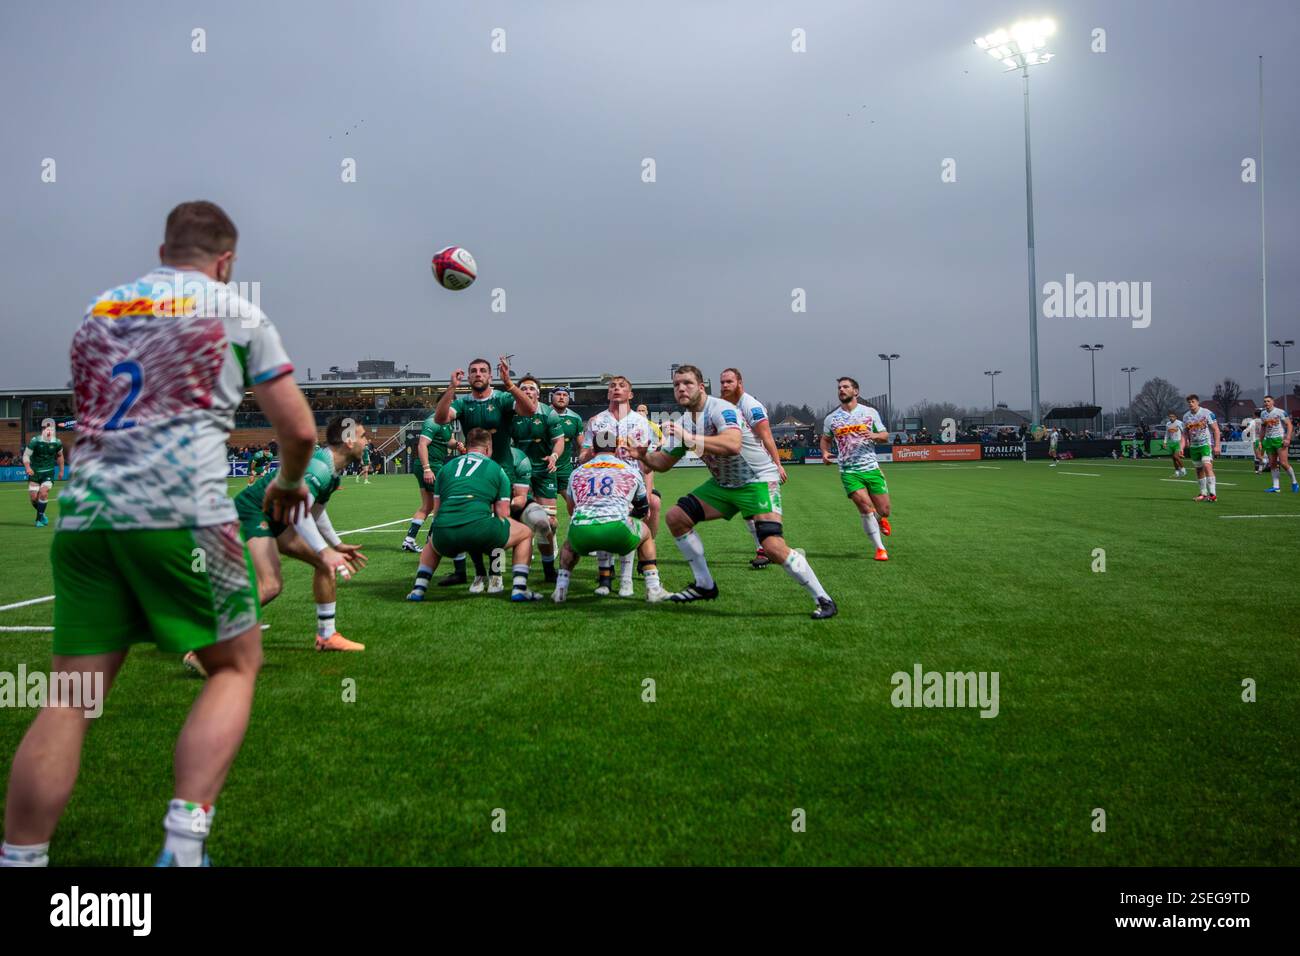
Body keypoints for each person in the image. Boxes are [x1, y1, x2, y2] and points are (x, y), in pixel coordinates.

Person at [2, 200, 317, 868]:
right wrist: (288, 483)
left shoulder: (100, 310)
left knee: (70, 698)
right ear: (225, 261)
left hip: (86, 517)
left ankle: (20, 858)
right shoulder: (237, 311)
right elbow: (298, 430)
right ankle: (183, 846)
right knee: (235, 665)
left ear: (162, 251)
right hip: (181, 513)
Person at [629, 364, 836, 619]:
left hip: (757, 480)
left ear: (701, 387)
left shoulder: (720, 408)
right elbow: (663, 463)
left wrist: (689, 439)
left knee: (772, 546)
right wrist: (643, 456)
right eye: (676, 384)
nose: (681, 388)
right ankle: (705, 584)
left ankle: (823, 598)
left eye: (687, 383)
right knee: (676, 518)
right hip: (723, 484)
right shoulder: (684, 423)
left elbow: (732, 444)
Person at [215, 415, 369, 661]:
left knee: (323, 565)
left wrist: (336, 545)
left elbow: (316, 513)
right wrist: (324, 550)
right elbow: (299, 514)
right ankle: (206, 645)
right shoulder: (320, 468)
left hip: (279, 515)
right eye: (363, 436)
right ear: (349, 441)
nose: (367, 441)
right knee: (271, 585)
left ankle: (326, 636)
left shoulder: (332, 472)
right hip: (255, 511)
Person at [430, 357, 537, 585]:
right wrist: (451, 388)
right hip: (475, 473)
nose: (478, 374)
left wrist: (510, 384)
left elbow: (530, 409)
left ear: (490, 376)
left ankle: (496, 574)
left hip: (502, 471)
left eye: (483, 371)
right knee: (474, 520)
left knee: (500, 523)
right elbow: (440, 418)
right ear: (468, 377)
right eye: (474, 371)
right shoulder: (463, 403)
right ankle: (479, 574)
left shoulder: (502, 398)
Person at [405, 428, 543, 602]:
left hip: (445, 532)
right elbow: (503, 515)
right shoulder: (497, 469)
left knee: (432, 545)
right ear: (488, 448)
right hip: (479, 528)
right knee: (524, 532)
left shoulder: (445, 469)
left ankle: (418, 589)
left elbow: (437, 511)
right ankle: (519, 588)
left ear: (467, 445)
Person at [552, 429, 667, 603]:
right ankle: (653, 588)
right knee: (646, 534)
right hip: (617, 531)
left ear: (593, 450)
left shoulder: (577, 472)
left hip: (582, 532)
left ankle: (560, 589)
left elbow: (571, 508)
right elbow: (643, 508)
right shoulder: (630, 470)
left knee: (568, 545)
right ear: (615, 449)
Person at [579, 376, 661, 597]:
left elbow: (648, 464)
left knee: (636, 519)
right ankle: (606, 576)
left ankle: (632, 573)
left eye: (622, 386)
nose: (616, 388)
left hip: (631, 483)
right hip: (604, 483)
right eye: (612, 386)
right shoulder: (596, 421)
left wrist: (648, 492)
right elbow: (582, 457)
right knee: (606, 521)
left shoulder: (641, 423)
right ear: (608, 393)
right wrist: (592, 451)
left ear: (630, 394)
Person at [719, 368, 788, 569]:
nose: (724, 386)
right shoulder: (723, 405)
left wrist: (777, 464)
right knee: (748, 511)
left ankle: (771, 550)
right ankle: (765, 549)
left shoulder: (751, 405)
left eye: (729, 382)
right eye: (722, 382)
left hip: (758, 467)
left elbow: (766, 436)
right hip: (739, 468)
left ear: (740, 383)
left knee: (761, 511)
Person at [820, 376, 892, 561]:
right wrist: (825, 452)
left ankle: (880, 518)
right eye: (839, 387)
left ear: (856, 391)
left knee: (884, 510)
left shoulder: (870, 413)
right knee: (865, 507)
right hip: (849, 471)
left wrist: (874, 435)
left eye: (845, 387)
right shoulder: (831, 419)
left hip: (871, 468)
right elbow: (825, 439)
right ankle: (880, 549)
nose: (841, 390)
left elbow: (885, 435)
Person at [510, 375, 565, 581]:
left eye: (531, 388)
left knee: (550, 522)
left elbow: (559, 441)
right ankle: (523, 559)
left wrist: (554, 456)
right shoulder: (511, 412)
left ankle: (549, 546)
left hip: (543, 469)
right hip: (518, 470)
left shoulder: (548, 413)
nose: (527, 391)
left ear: (538, 393)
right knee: (516, 517)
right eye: (523, 388)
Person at [401, 408, 463, 552]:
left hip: (433, 465)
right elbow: (422, 444)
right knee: (443, 503)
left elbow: (449, 441)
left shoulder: (447, 423)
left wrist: (457, 444)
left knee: (428, 505)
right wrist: (427, 469)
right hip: (431, 466)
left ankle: (409, 540)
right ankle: (432, 542)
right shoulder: (433, 421)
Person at [23, 421, 64, 527]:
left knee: (43, 493)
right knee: (33, 498)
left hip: (48, 473)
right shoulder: (35, 441)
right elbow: (26, 455)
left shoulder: (57, 442)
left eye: (51, 429)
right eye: (46, 428)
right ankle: (42, 514)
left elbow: (60, 456)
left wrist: (61, 470)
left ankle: (39, 519)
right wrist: (27, 467)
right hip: (35, 473)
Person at [1181, 394, 1221, 502]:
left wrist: (1217, 445)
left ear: (1197, 402)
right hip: (1194, 446)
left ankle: (1213, 494)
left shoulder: (1207, 413)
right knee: (1199, 469)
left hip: (1205, 444)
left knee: (1207, 466)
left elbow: (1216, 429)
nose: (1191, 404)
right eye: (1189, 402)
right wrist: (1181, 447)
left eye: (1193, 401)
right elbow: (1184, 433)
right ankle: (1203, 493)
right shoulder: (1186, 416)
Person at [1259, 395, 1296, 493]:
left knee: (1283, 463)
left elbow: (1289, 425)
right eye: (1265, 401)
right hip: (1269, 440)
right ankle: (1276, 487)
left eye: (1268, 401)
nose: (1266, 403)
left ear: (1273, 402)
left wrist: (1288, 438)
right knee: (1272, 463)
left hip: (1279, 439)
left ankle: (1294, 482)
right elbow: (1263, 428)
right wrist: (1260, 441)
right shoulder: (1263, 413)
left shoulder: (1280, 412)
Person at [1164, 412, 1186, 479]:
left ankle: (1183, 470)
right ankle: (1177, 472)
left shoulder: (1179, 423)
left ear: (1176, 417)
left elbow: (1184, 432)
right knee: (1173, 458)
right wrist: (1165, 442)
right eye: (1170, 416)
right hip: (1171, 442)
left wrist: (1185, 440)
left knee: (1176, 456)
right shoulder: (1168, 424)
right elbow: (1167, 434)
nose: (1171, 418)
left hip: (1178, 442)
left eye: (1173, 416)